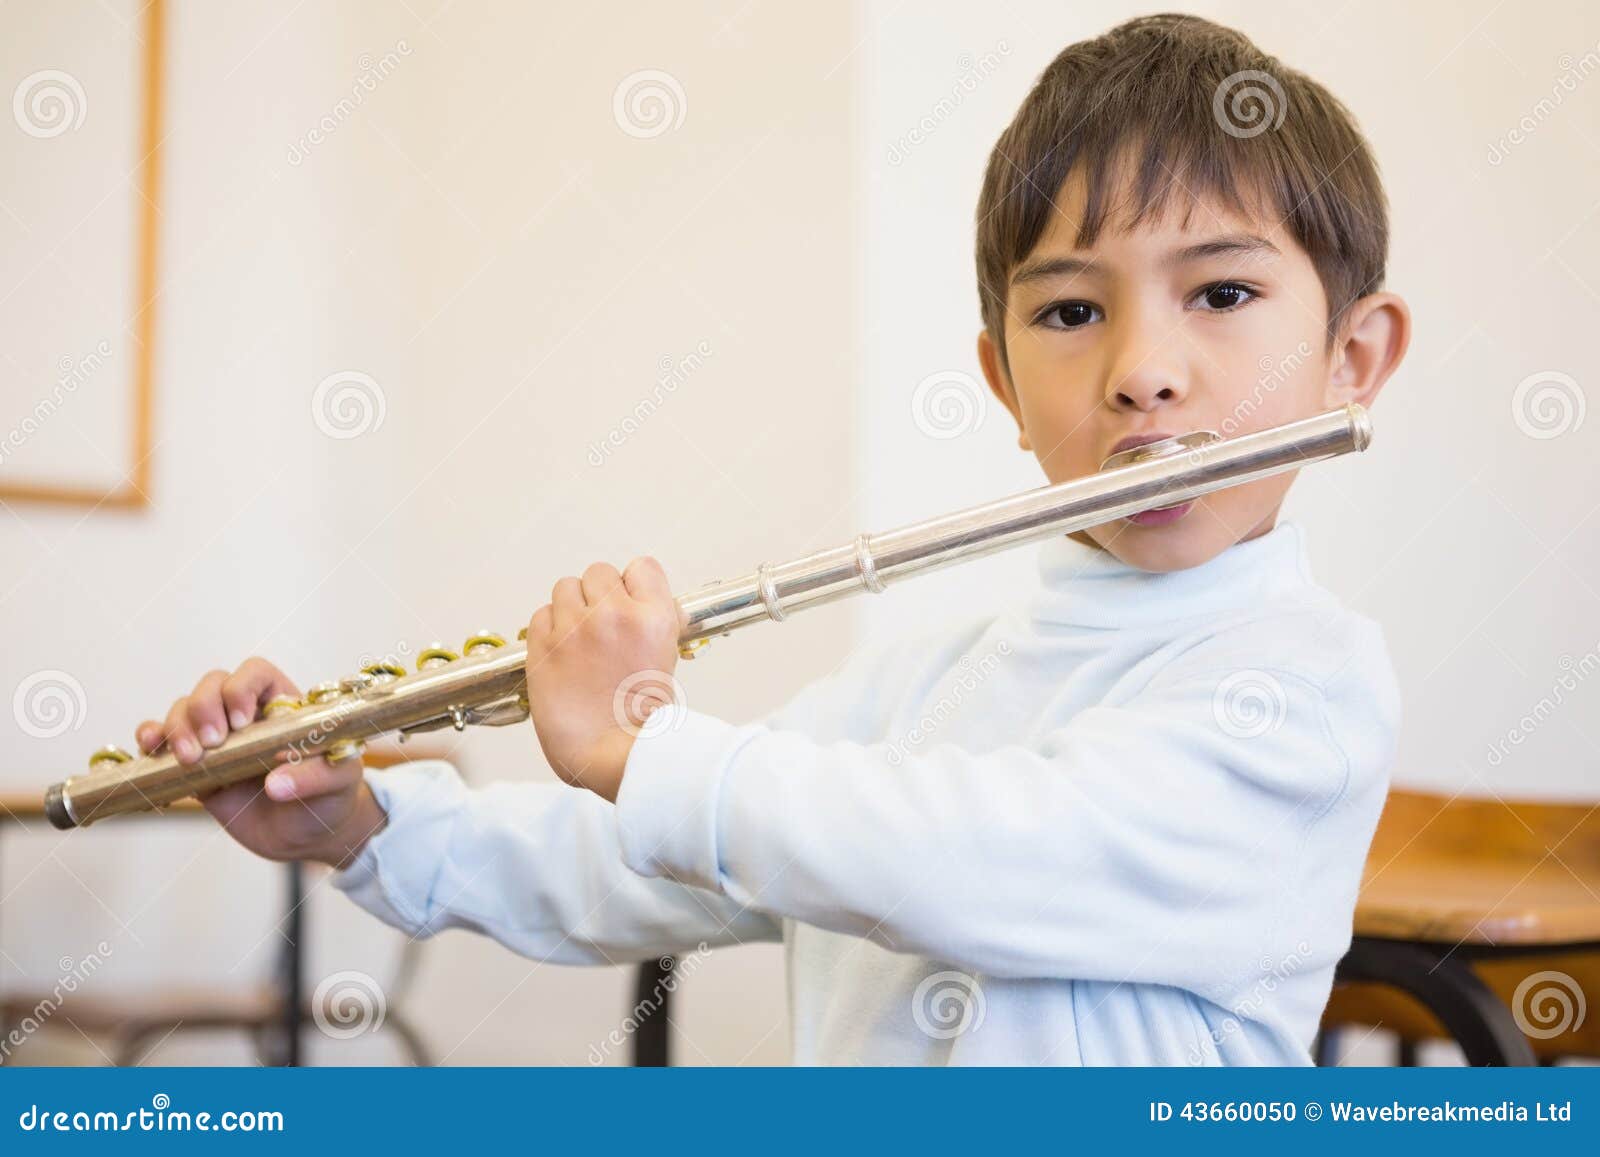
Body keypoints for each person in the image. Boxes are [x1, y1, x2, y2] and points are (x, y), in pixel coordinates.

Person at [138, 13, 1409, 1064]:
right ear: (1007, 385)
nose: (1142, 371)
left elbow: (982, 850)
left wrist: (644, 746)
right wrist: (363, 827)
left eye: (1223, 293)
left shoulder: (1302, 683)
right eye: (1072, 310)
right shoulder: (921, 680)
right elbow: (638, 860)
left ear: (1352, 360)